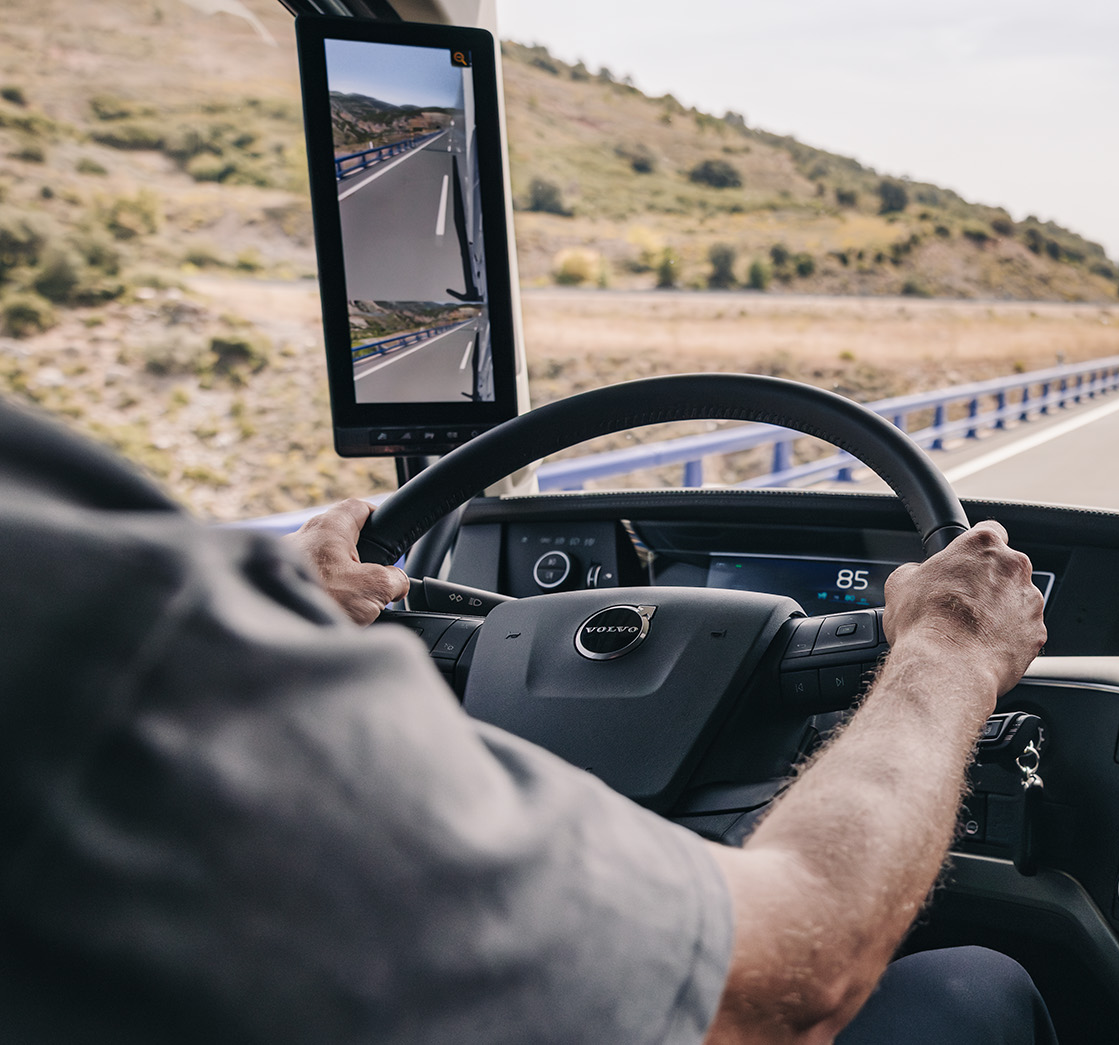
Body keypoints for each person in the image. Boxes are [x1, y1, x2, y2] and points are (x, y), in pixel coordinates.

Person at [0, 396, 1055, 1045]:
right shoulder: (119, 653)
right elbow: (789, 983)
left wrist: (278, 617)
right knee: (977, 988)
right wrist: (950, 643)